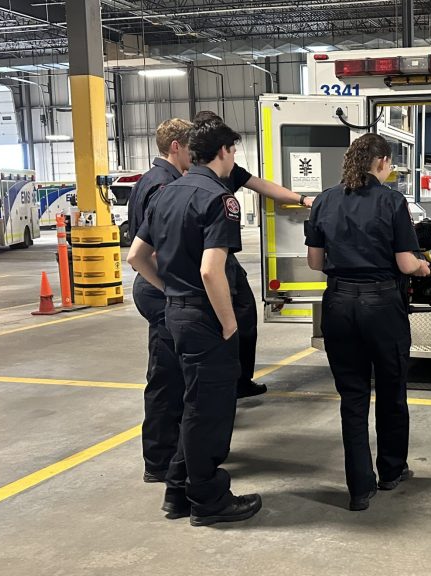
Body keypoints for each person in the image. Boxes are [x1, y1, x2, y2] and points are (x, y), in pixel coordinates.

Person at [128, 119, 262, 526]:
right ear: (223, 151)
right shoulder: (220, 199)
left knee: (193, 404)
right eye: (234, 150)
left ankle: (178, 491)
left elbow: (135, 256)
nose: (234, 156)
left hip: (176, 313)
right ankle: (208, 500)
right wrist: (227, 323)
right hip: (204, 317)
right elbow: (211, 271)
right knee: (213, 411)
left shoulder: (167, 193)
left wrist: (169, 290)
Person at [305, 133, 430, 512]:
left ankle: (360, 488)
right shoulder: (392, 201)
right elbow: (407, 264)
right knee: (391, 389)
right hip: (381, 305)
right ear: (381, 163)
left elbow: (314, 262)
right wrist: (423, 266)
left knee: (353, 397)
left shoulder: (324, 200)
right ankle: (391, 471)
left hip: (339, 305)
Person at [192, 111, 315, 400]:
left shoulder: (227, 172)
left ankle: (238, 380)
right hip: (207, 259)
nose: (233, 154)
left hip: (222, 257)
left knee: (244, 314)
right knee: (224, 322)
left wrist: (301, 198)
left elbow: (261, 185)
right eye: (231, 149)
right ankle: (223, 386)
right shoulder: (200, 178)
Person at [127, 118, 193, 485]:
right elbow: (148, 249)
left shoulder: (150, 179)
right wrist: (170, 288)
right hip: (158, 289)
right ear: (175, 147)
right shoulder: (165, 185)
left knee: (169, 377)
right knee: (167, 380)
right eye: (189, 147)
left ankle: (167, 455)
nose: (192, 154)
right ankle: (160, 460)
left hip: (154, 286)